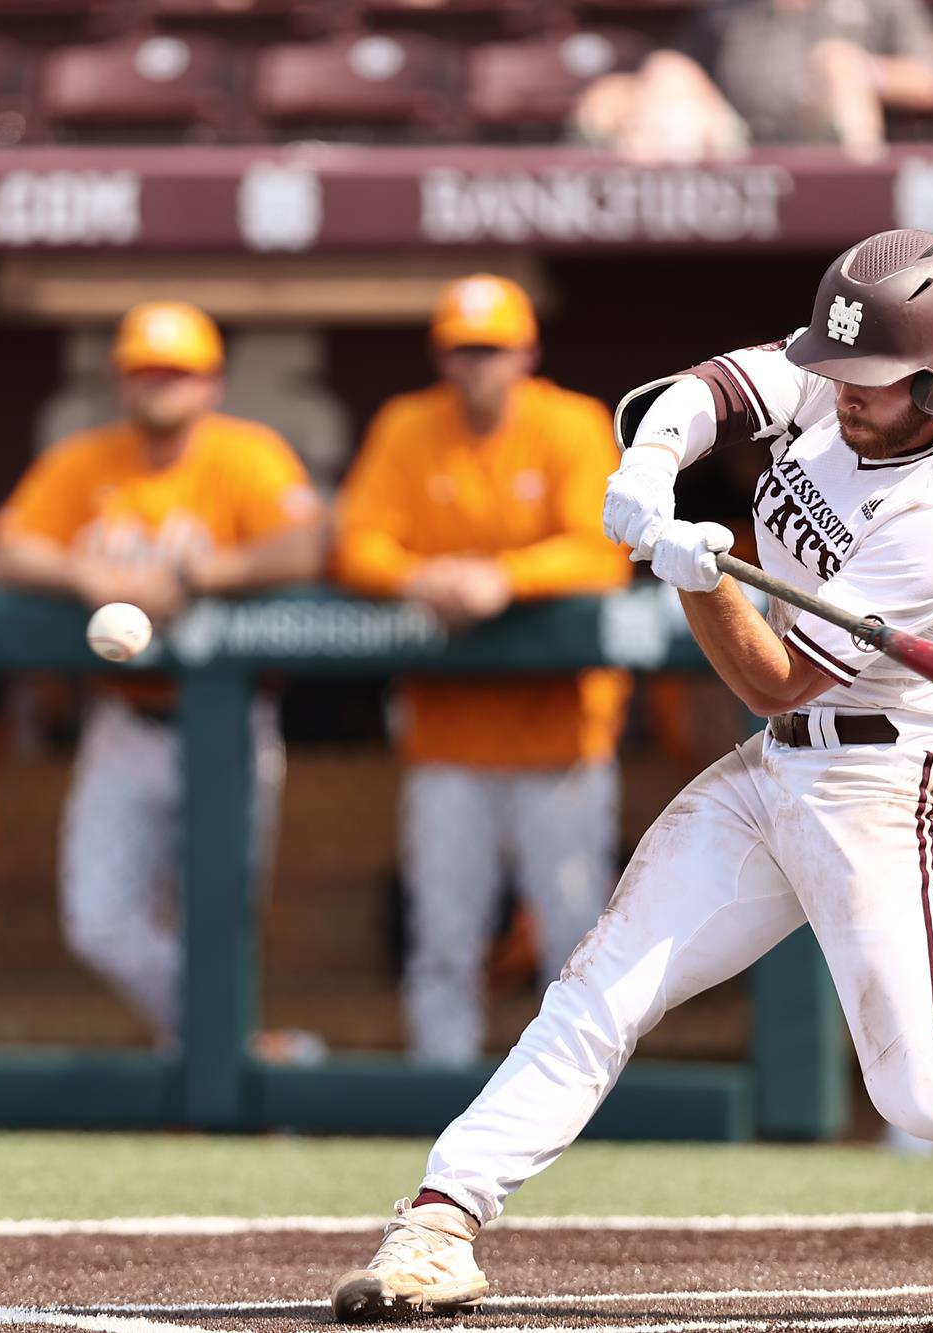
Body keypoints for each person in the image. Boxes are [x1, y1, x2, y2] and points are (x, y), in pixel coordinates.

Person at [329, 231, 933, 1322]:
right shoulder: (849, 362)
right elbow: (707, 391)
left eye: (873, 387)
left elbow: (773, 679)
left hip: (891, 786)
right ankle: (439, 1219)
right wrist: (652, 463)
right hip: (773, 775)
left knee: (924, 1086)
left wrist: (693, 579)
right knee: (601, 985)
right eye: (833, 373)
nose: (840, 398)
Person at [0, 301, 322, 1047]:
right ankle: (230, 1045)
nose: (159, 386)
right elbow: (5, 548)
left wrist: (204, 573)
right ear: (120, 383)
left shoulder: (246, 454)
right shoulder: (84, 460)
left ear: (212, 382)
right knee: (98, 920)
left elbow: (304, 546)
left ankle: (206, 1070)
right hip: (125, 721)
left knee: (218, 917)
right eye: (144, 372)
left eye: (176, 372)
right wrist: (85, 573)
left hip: (226, 720)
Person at [335, 275, 632, 1067]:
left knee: (577, 941)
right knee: (443, 938)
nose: (479, 366)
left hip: (561, 736)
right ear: (442, 356)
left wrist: (503, 577)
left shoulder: (572, 423)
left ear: (527, 352)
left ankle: (577, 1096)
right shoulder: (408, 425)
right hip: (449, 736)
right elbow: (356, 540)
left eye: (493, 349)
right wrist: (418, 577)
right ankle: (443, 1091)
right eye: (465, 351)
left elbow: (603, 547)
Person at [576, 0, 933, 160]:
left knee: (840, 70)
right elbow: (685, 74)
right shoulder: (729, 8)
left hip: (833, 147)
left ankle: (858, 221)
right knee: (662, 69)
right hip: (740, 149)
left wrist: (865, 70)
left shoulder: (883, 4)